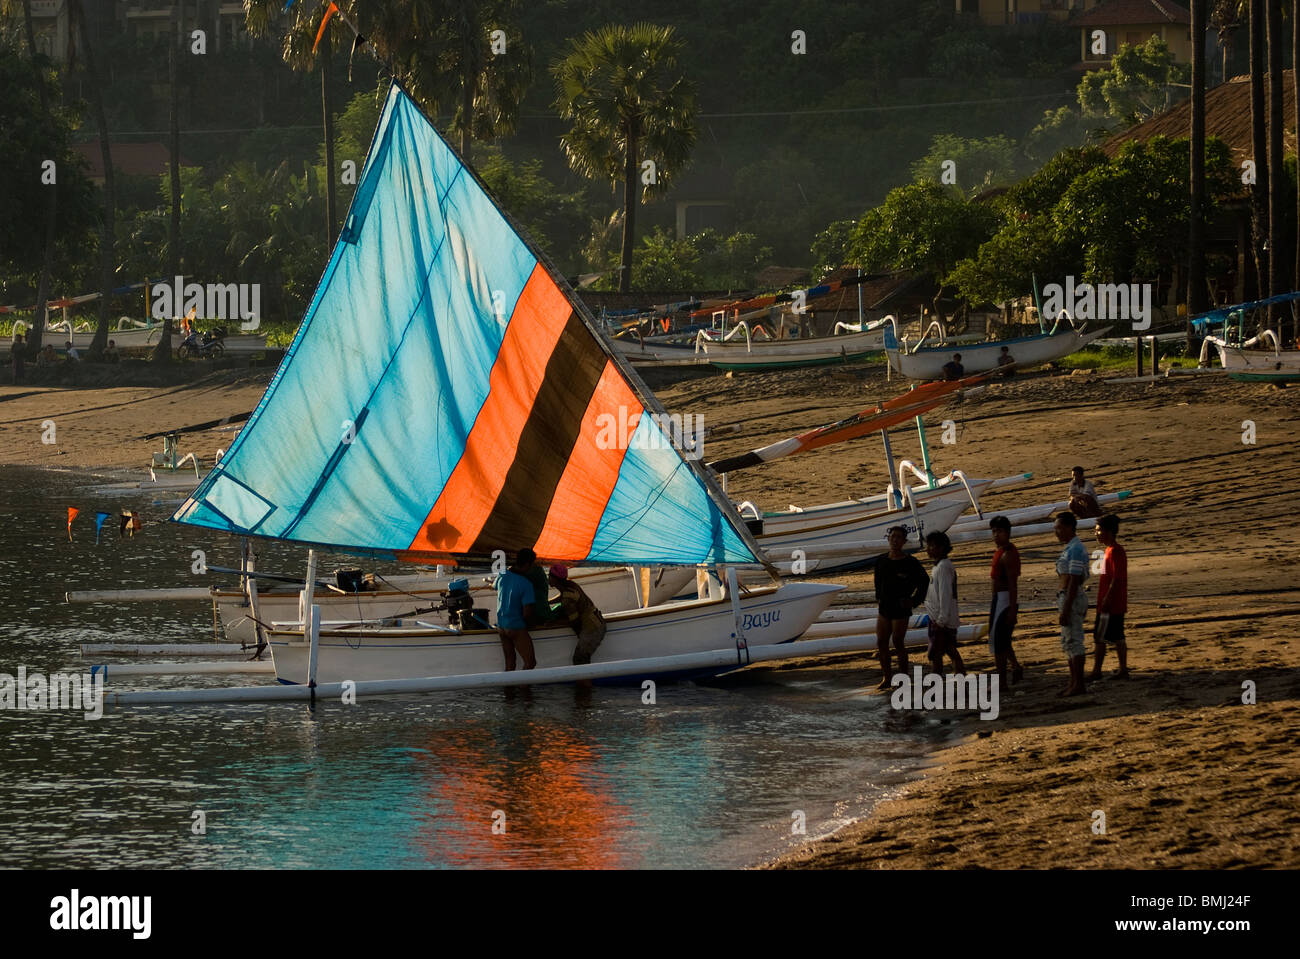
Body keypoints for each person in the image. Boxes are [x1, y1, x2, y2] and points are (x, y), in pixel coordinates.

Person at [874, 526, 929, 689]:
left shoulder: (911, 562)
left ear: (904, 541)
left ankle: (904, 677)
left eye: (898, 537)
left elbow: (924, 583)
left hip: (901, 608)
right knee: (881, 642)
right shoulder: (881, 560)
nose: (895, 540)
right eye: (892, 537)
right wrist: (879, 598)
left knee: (898, 641)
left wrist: (914, 601)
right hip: (884, 607)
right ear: (888, 539)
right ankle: (887, 678)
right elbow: (877, 582)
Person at [1053, 511, 1089, 696]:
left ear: (1068, 527)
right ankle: (1073, 682)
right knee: (1068, 641)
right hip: (1068, 597)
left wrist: (1066, 608)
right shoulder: (1071, 547)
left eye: (1059, 528)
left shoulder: (1075, 549)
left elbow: (1074, 580)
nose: (1057, 532)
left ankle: (1078, 684)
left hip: (1071, 598)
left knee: (1074, 641)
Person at [1089, 514, 1129, 681]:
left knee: (1101, 637)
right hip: (1111, 601)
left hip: (1111, 603)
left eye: (1099, 531)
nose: (1096, 534)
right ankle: (1121, 669)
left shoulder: (1116, 551)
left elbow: (1117, 578)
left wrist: (1107, 598)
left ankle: (1098, 670)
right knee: (1115, 635)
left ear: (1109, 532)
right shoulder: (1108, 550)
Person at [987, 515, 1024, 688]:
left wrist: (1011, 610)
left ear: (1007, 533)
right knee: (1003, 639)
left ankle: (1001, 681)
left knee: (997, 642)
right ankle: (1015, 666)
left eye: (1000, 531)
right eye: (994, 532)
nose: (996, 535)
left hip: (1004, 600)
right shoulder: (1001, 551)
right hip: (999, 599)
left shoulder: (1008, 554)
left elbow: (1012, 584)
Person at [923, 531, 963, 676]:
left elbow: (945, 595)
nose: (928, 549)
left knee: (939, 653)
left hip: (943, 620)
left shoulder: (943, 567)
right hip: (940, 618)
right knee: (947, 650)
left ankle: (936, 686)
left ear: (940, 548)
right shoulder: (939, 567)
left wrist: (941, 620)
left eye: (931, 546)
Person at [549, 565, 607, 665]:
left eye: (549, 575)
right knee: (581, 660)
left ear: (555, 579)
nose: (547, 578)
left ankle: (586, 680)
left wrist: (553, 622)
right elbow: (564, 596)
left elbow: (574, 621)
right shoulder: (570, 585)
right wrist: (548, 602)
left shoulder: (567, 601)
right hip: (597, 621)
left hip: (592, 628)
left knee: (580, 660)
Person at [494, 549, 538, 671]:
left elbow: (494, 587)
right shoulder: (526, 584)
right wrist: (530, 625)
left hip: (502, 627)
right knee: (530, 663)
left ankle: (509, 690)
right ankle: (524, 690)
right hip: (515, 627)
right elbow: (527, 612)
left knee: (510, 663)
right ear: (528, 564)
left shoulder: (503, 574)